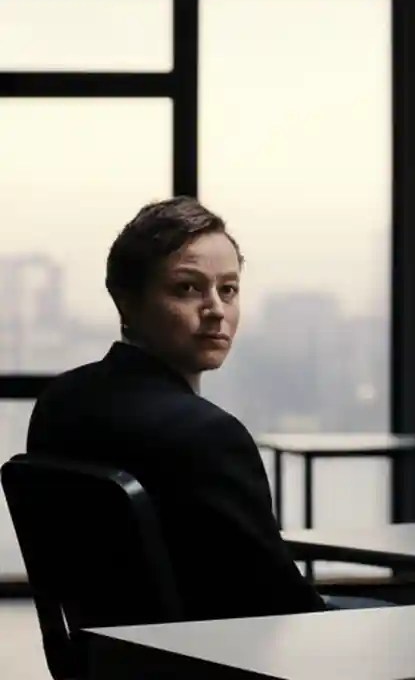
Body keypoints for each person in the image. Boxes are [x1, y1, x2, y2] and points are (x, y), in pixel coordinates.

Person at [25, 197, 384, 619]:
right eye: (187, 288)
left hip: (113, 659)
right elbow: (281, 605)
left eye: (228, 289)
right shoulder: (207, 434)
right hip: (217, 656)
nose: (216, 310)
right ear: (127, 302)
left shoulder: (58, 404)